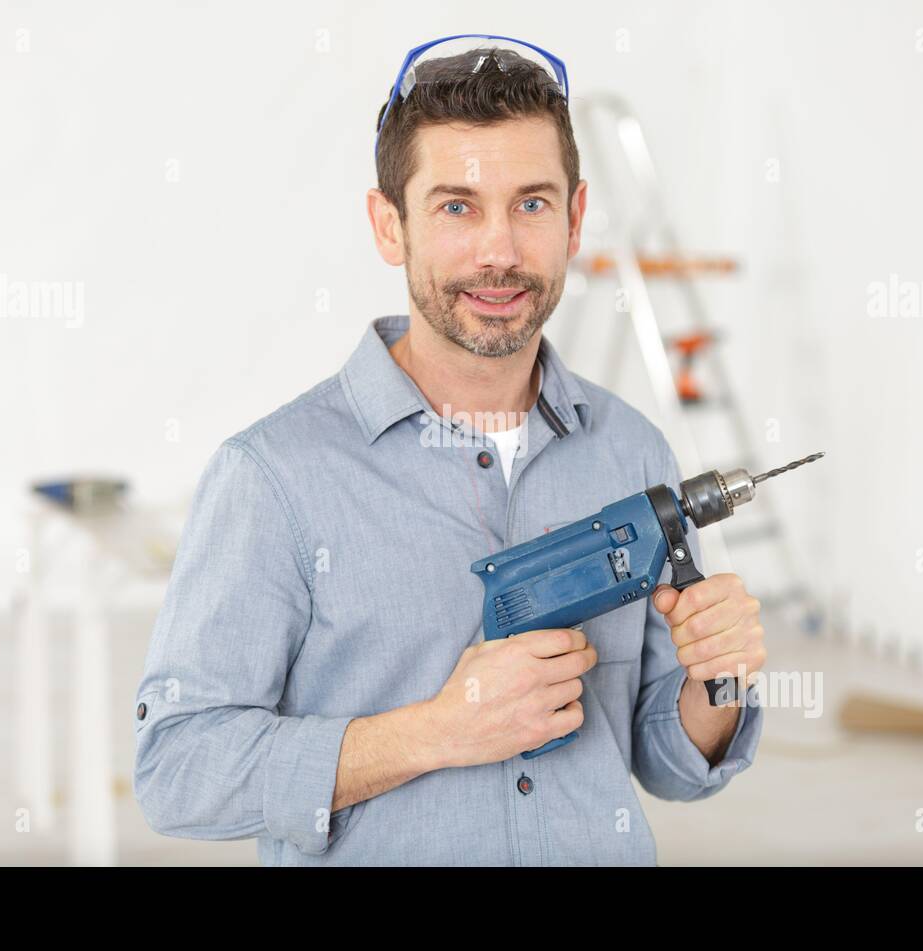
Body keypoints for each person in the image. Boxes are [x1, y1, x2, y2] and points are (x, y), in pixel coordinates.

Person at [133, 34, 765, 866]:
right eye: (456, 206)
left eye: (531, 204)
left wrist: (713, 682)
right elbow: (178, 769)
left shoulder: (630, 452)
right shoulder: (273, 477)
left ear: (575, 220)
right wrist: (435, 732)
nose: (498, 250)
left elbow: (665, 763)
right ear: (389, 226)